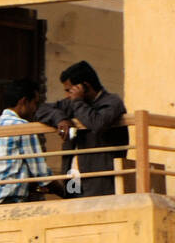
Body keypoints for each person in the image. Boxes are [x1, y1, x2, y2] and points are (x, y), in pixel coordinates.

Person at [34, 61, 129, 198]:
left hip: (100, 181)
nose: (67, 96)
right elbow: (41, 110)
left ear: (85, 86)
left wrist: (78, 102)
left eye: (69, 90)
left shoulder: (112, 102)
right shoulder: (71, 102)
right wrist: (60, 119)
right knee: (73, 211)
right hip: (73, 176)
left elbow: (97, 123)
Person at [0, 78, 55, 205]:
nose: (35, 109)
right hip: (12, 199)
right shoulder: (22, 127)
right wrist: (66, 193)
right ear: (23, 102)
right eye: (35, 103)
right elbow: (42, 173)